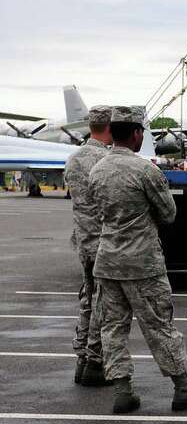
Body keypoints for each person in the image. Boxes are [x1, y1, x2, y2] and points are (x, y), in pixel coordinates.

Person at [91, 105, 187, 415]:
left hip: (107, 262)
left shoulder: (97, 169)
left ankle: (122, 392)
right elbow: (168, 214)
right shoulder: (146, 170)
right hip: (142, 262)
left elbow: (95, 212)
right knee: (159, 326)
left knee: (112, 329)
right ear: (135, 134)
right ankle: (183, 389)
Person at [62, 105, 113, 387]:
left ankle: (81, 358)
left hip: (83, 240)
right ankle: (95, 361)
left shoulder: (74, 158)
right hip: (103, 241)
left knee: (87, 301)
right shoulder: (103, 159)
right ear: (109, 126)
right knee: (102, 304)